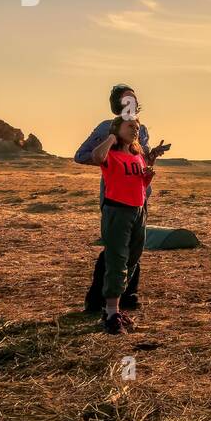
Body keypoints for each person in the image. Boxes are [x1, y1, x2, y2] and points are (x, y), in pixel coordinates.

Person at [75, 85, 170, 313]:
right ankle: (97, 298)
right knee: (115, 248)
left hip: (139, 195)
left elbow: (137, 157)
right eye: (127, 100)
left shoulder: (141, 129)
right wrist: (109, 160)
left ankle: (128, 294)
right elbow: (82, 155)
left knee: (135, 247)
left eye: (134, 100)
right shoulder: (107, 127)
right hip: (115, 197)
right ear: (118, 105)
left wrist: (150, 156)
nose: (132, 104)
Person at [91, 118, 160, 333]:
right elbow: (96, 157)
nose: (135, 130)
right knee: (117, 258)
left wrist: (147, 176)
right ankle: (111, 314)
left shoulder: (137, 155)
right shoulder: (110, 153)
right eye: (130, 126)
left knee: (133, 258)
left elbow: (138, 182)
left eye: (137, 128)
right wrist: (112, 137)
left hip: (138, 211)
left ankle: (114, 307)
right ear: (117, 128)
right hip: (117, 211)